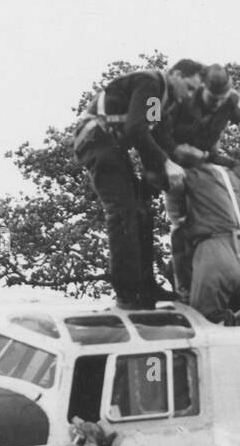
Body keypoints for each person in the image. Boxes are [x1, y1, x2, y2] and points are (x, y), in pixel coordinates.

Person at [73, 60, 204, 308]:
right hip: (96, 140)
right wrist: (165, 163)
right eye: (189, 87)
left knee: (142, 212)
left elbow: (153, 135)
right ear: (174, 74)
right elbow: (136, 129)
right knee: (123, 213)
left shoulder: (162, 100)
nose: (190, 95)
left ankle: (146, 287)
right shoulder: (152, 84)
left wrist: (157, 176)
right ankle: (127, 291)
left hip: (111, 145)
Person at [163, 64, 240, 302]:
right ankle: (184, 289)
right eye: (212, 98)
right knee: (180, 225)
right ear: (202, 88)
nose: (217, 104)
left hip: (208, 156)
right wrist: (173, 154)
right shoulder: (183, 98)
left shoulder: (233, 100)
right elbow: (158, 130)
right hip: (178, 160)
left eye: (222, 99)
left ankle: (238, 254)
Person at [170, 160, 240, 324]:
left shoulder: (190, 179)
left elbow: (180, 259)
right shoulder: (230, 175)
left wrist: (185, 295)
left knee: (205, 322)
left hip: (214, 257)